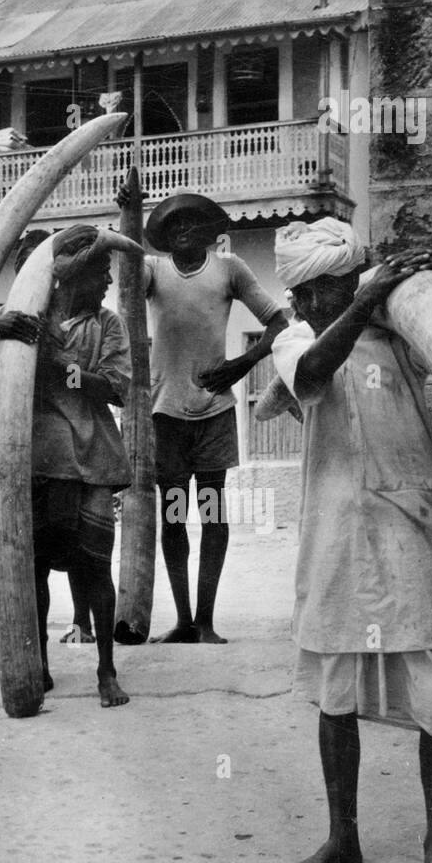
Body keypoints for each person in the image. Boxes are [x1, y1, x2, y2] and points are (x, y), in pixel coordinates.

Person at [270, 218, 432, 863]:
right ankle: (343, 833)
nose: (307, 304)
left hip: (411, 523)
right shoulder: (297, 339)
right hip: (338, 531)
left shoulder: (396, 331)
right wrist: (361, 302)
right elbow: (314, 369)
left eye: (325, 290)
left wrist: (411, 274)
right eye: (305, 293)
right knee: (335, 686)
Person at [0, 225, 138, 708]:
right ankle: (38, 664)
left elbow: (115, 387)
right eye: (100, 271)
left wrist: (57, 365)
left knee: (94, 567)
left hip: (89, 460)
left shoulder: (107, 324)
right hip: (30, 462)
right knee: (35, 569)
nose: (107, 281)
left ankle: (106, 669)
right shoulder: (19, 319)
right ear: (73, 275)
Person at [130, 189, 288, 644]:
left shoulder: (229, 269)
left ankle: (206, 621)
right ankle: (181, 620)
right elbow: (125, 276)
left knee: (213, 516)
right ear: (164, 235)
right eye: (173, 225)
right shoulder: (153, 272)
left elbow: (278, 323)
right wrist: (129, 213)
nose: (183, 231)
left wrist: (242, 364)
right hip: (166, 414)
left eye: (192, 224)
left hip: (214, 411)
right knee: (174, 516)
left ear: (207, 231)